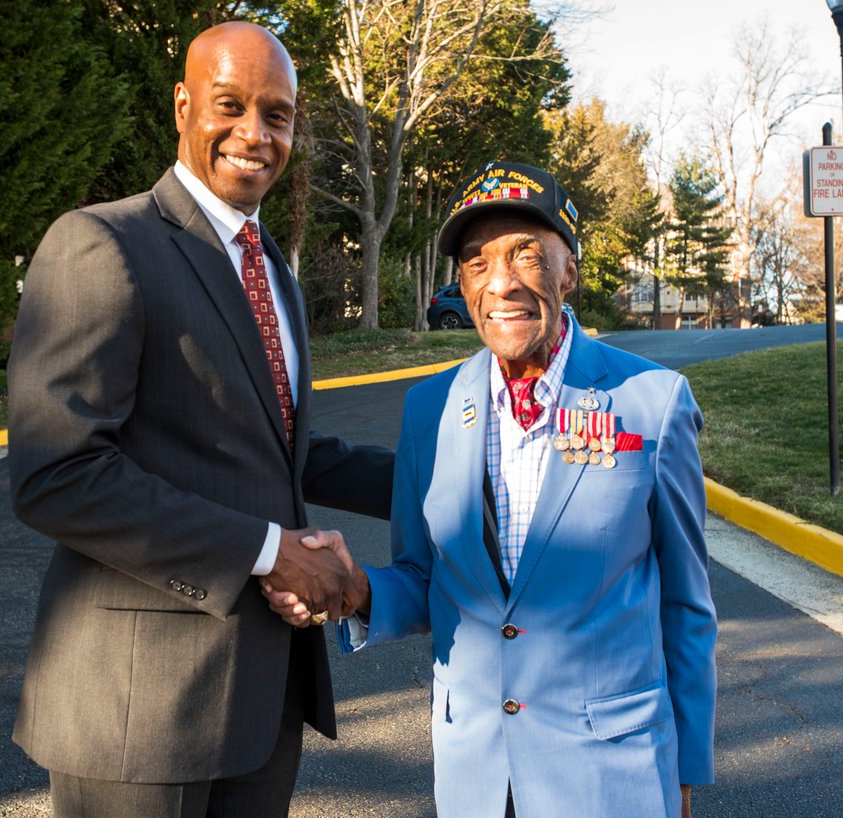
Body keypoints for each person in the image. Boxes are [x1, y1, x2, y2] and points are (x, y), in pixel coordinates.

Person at [7, 21, 391, 818]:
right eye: (230, 105)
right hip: (139, 715)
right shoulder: (102, 244)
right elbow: (59, 475)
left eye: (277, 115)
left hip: (260, 702)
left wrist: (461, 478)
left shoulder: (270, 267)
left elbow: (280, 448)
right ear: (183, 106)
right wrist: (268, 551)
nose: (255, 134)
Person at [265, 161, 717, 817]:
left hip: (609, 770)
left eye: (525, 254)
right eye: (476, 262)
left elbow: (686, 603)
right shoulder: (431, 408)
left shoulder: (653, 402)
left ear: (569, 269)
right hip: (475, 774)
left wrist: (686, 767)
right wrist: (357, 588)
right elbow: (425, 577)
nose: (500, 282)